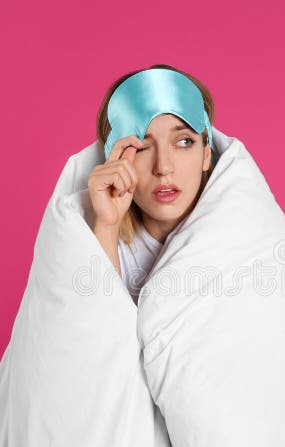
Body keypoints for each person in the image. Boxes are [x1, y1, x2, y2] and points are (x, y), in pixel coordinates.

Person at [86, 64, 215, 304]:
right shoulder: (98, 242)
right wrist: (107, 226)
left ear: (206, 154)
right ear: (115, 158)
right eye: (141, 147)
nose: (163, 167)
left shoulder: (241, 239)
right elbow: (94, 322)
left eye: (184, 142)